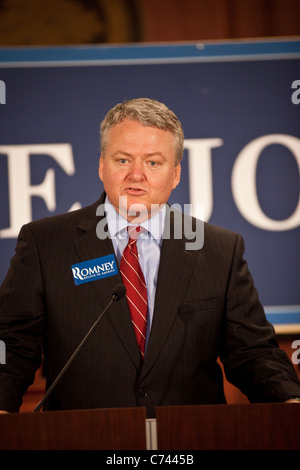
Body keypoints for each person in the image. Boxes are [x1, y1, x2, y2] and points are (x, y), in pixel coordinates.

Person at [0, 98, 299, 417]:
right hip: (84, 439)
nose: (136, 175)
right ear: (102, 165)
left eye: (153, 162)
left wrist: (289, 400)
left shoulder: (219, 250)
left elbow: (253, 352)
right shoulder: (46, 243)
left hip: (192, 440)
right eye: (123, 160)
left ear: (176, 173)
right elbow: (12, 346)